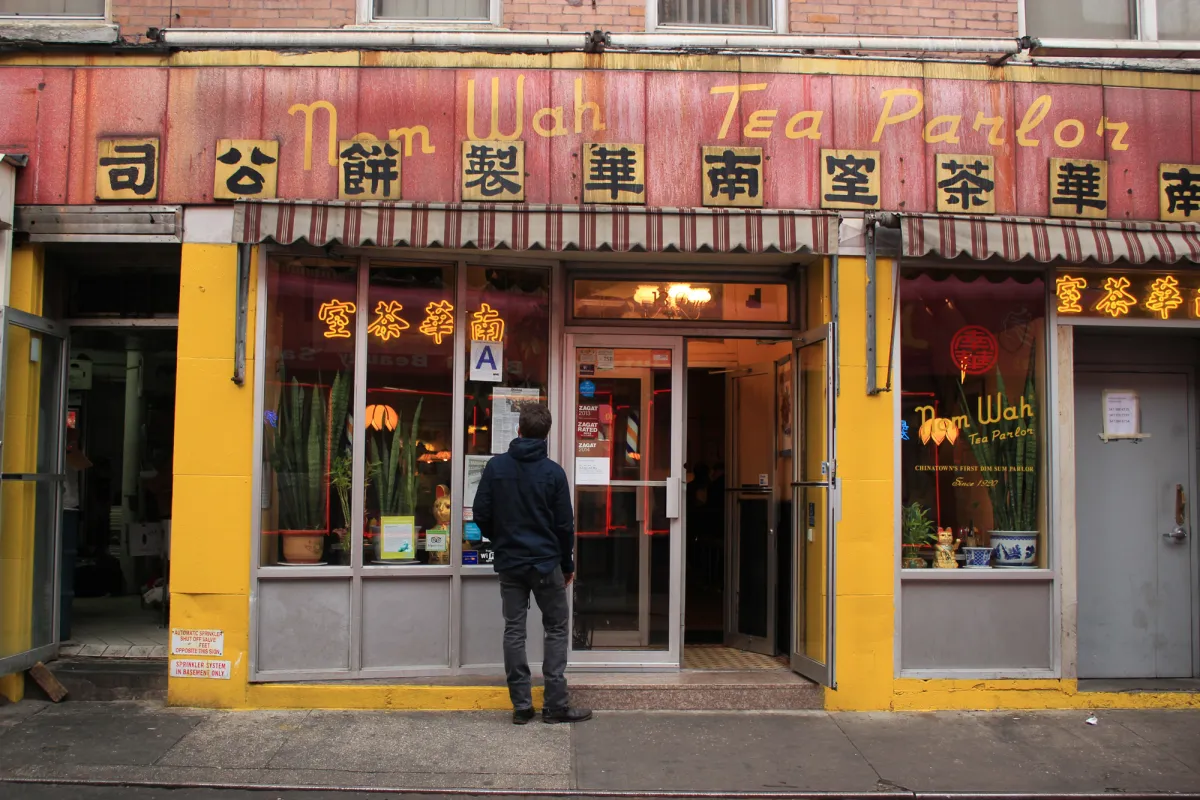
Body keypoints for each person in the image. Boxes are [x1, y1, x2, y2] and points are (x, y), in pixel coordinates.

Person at [472, 403, 592, 725]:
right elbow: (565, 526)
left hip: (511, 564)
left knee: (514, 631)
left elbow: (480, 512)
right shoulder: (553, 473)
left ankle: (522, 706)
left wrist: (500, 540)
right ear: (546, 434)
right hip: (546, 565)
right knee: (555, 629)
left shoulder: (496, 468)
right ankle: (554, 705)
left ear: (519, 430)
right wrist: (567, 564)